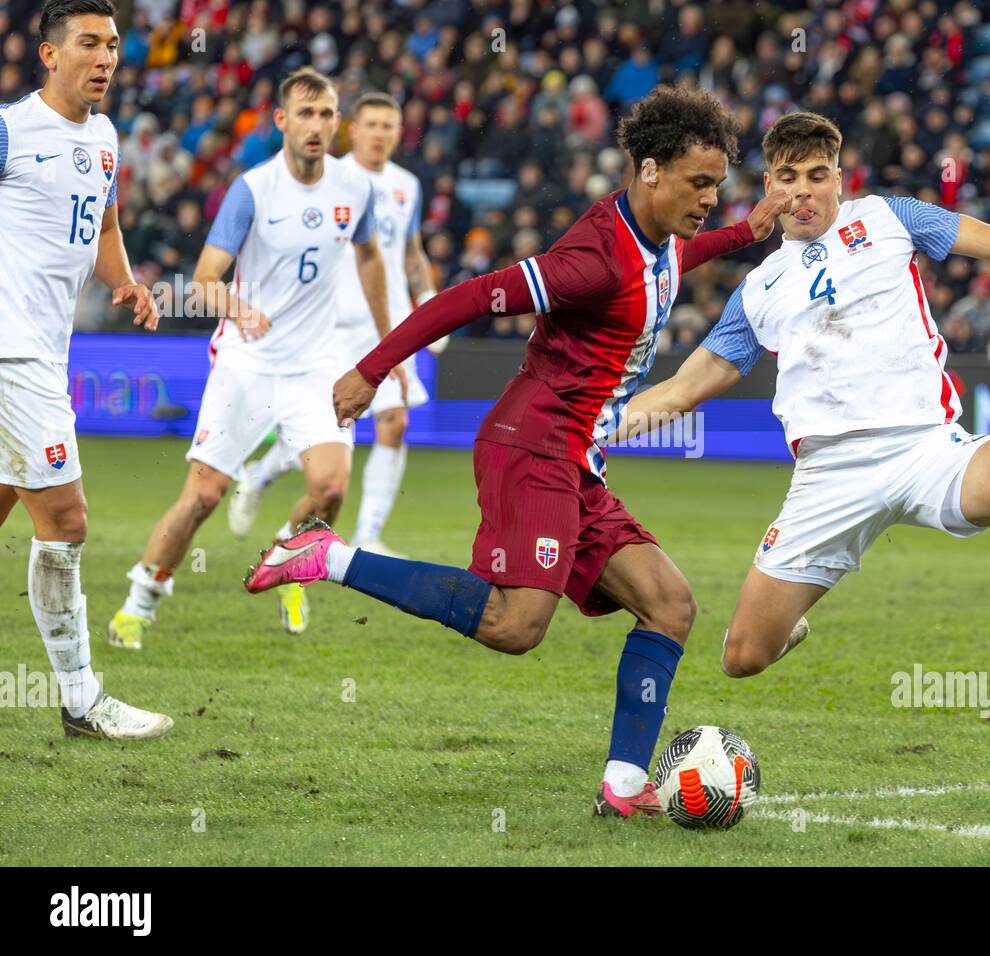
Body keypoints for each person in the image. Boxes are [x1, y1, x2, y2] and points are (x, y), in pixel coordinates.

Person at [243, 86, 796, 816]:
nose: (708, 199)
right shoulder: (595, 260)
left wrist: (744, 232)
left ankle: (625, 788)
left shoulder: (654, 240)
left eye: (717, 187)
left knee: (669, 606)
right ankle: (324, 555)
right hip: (530, 446)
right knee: (516, 625)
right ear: (652, 171)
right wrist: (372, 370)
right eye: (699, 184)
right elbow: (468, 298)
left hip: (577, 459)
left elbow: (682, 253)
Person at [618, 112, 990, 724]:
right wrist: (593, 428)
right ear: (768, 187)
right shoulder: (758, 290)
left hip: (927, 451)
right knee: (743, 655)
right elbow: (685, 387)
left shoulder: (890, 219)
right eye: (787, 177)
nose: (802, 191)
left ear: (840, 179)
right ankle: (788, 617)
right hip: (830, 477)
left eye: (817, 175)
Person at [109, 67, 404, 644]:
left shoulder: (355, 189)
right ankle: (138, 602)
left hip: (316, 365)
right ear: (282, 122)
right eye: (305, 114)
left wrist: (388, 339)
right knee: (203, 497)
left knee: (332, 487)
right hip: (246, 362)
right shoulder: (253, 189)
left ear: (336, 122)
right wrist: (239, 308)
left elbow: (370, 257)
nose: (316, 126)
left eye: (325, 115)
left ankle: (290, 561)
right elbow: (204, 280)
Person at [0, 0, 170, 738]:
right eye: (88, 44)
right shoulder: (10, 129)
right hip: (14, 354)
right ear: (48, 53)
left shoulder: (102, 137)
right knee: (65, 519)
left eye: (112, 46)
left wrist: (123, 280)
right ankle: (80, 698)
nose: (104, 58)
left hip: (41, 347)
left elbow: (102, 223)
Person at [229, 91, 441, 559]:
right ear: (353, 129)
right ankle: (260, 476)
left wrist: (426, 299)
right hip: (327, 327)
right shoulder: (332, 178)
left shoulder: (407, 185)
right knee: (324, 429)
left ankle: (369, 533)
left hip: (383, 327)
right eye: (373, 124)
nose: (381, 134)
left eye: (390, 125)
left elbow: (411, 253)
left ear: (399, 131)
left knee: (394, 422)